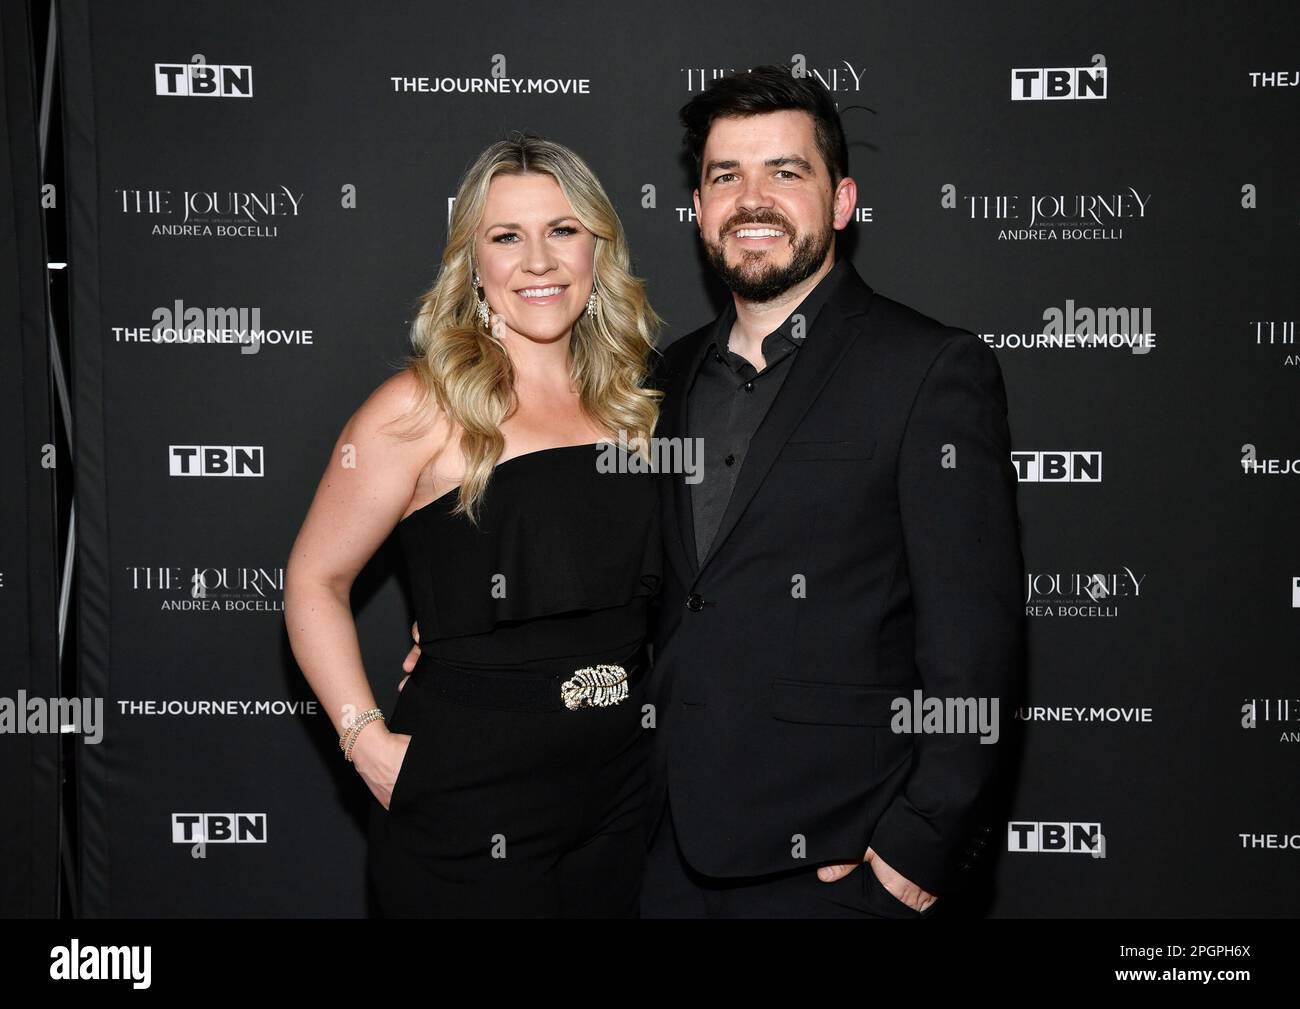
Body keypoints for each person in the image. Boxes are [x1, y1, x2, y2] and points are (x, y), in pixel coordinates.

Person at [634, 65, 1027, 918]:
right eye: (724, 175)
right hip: (662, 853)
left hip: (840, 869)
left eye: (786, 170)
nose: (752, 198)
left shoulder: (927, 369)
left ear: (842, 200)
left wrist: (918, 845)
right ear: (698, 208)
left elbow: (975, 639)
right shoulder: (658, 379)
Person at [284, 133, 664, 917]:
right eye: (506, 236)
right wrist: (365, 741)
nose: (538, 260)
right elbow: (313, 581)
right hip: (469, 796)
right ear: (473, 263)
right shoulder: (419, 407)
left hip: (625, 788)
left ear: (598, 250)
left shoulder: (641, 406)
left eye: (562, 230)